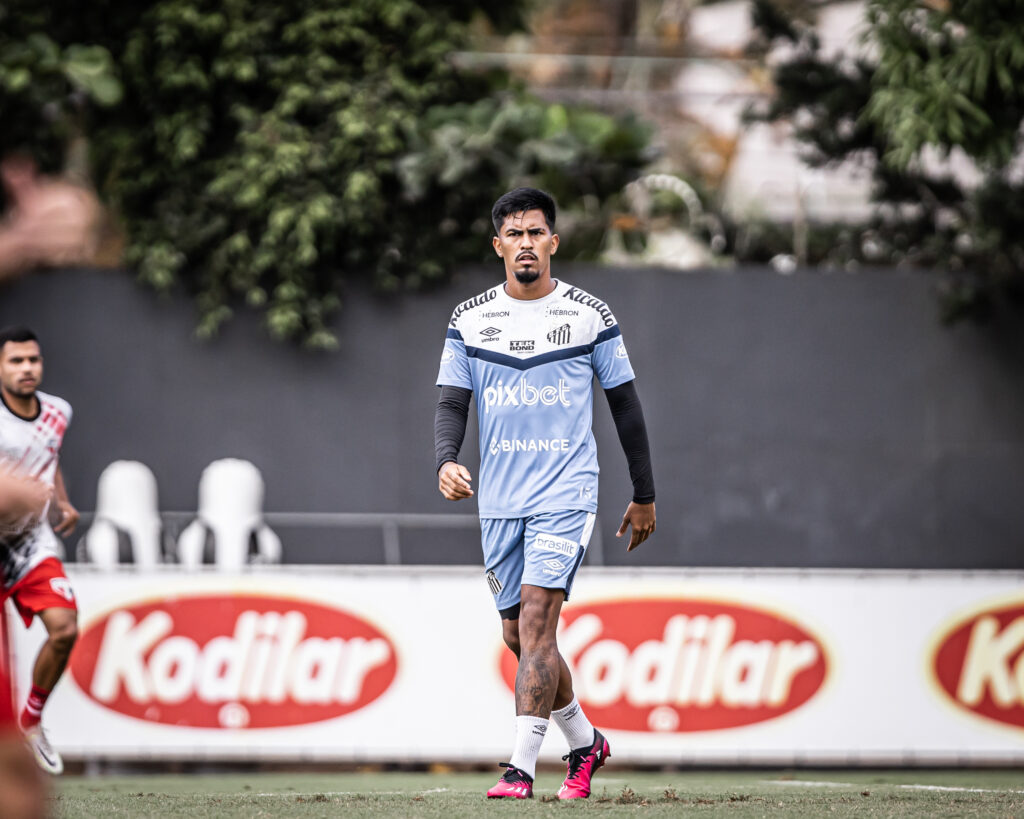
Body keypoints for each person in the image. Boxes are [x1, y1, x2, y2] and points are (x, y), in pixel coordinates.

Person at [434, 188, 656, 799]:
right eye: (515, 233)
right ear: (499, 245)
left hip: (567, 492)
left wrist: (644, 492)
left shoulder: (589, 315)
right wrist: (445, 462)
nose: (526, 243)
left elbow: (626, 406)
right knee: (519, 637)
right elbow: (453, 402)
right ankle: (586, 743)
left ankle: (520, 769)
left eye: (537, 232)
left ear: (552, 243)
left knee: (537, 619)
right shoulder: (469, 319)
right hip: (501, 500)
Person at [0, 326, 80, 775]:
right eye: (16, 361)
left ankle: (32, 720)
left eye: (33, 359)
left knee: (65, 628)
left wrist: (61, 499)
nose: (27, 368)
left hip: (31, 543)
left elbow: (48, 455)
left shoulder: (58, 412)